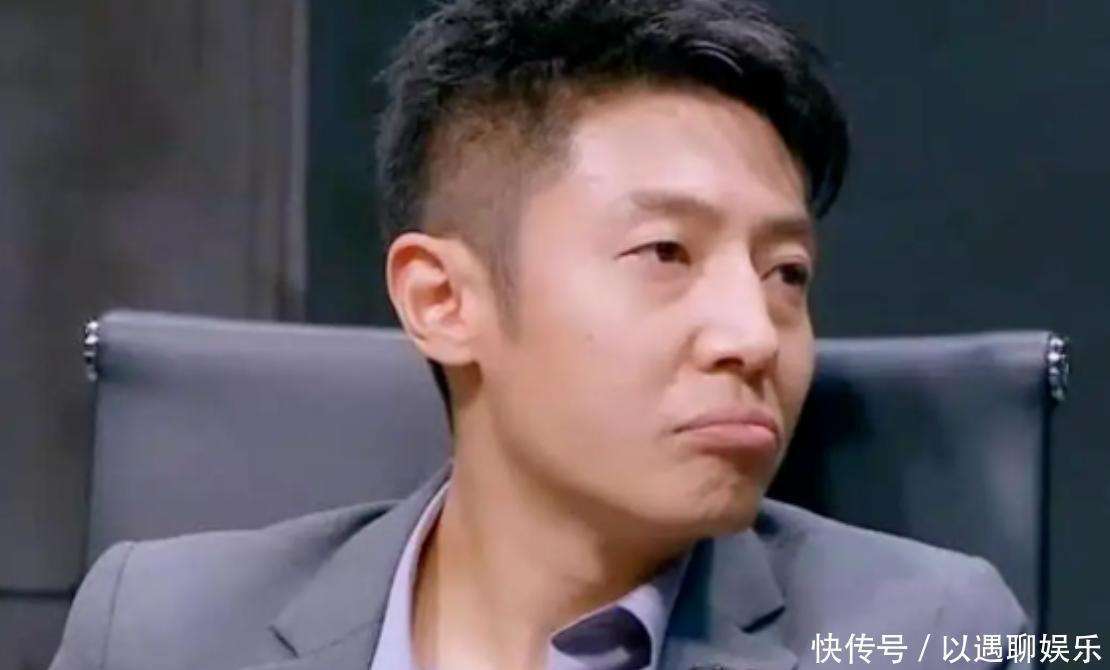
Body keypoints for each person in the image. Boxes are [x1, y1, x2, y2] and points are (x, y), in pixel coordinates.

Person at [50, 1, 1030, 669]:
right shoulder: (159, 629)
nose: (754, 336)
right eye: (665, 252)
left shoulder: (931, 638)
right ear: (443, 299)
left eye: (787, 274)